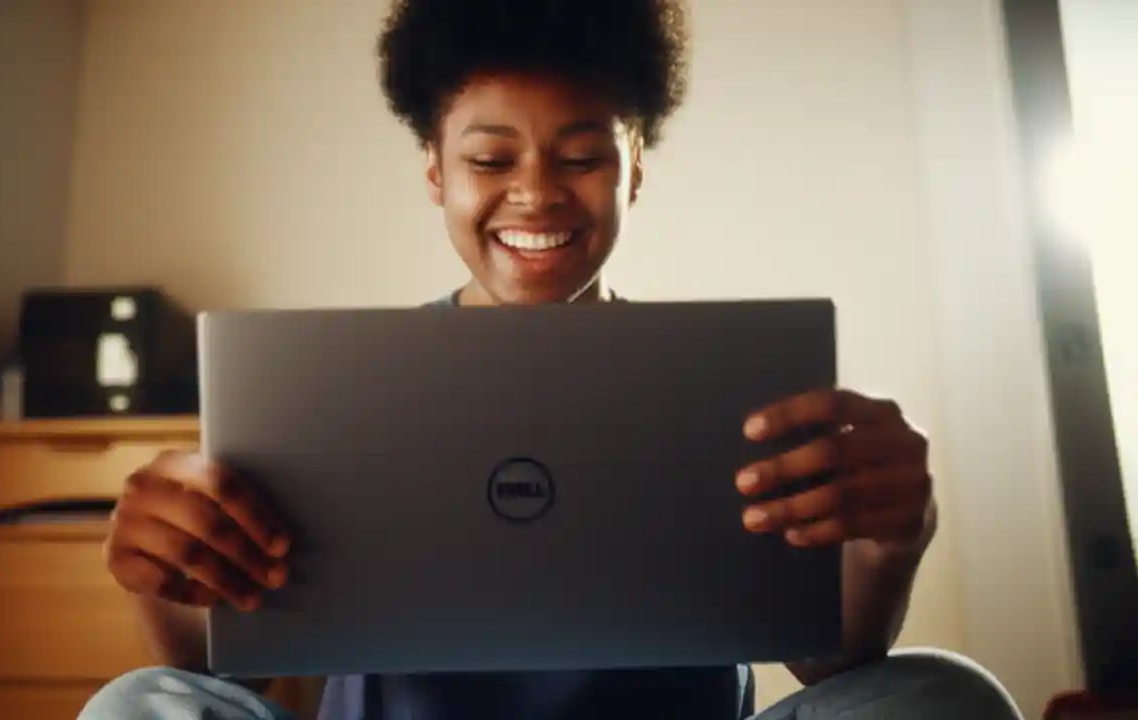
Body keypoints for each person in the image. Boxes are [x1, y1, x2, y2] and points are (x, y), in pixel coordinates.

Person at [81, 1, 1023, 718]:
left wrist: (891, 543)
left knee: (944, 695)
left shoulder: (722, 388)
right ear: (437, 176)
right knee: (135, 706)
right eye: (490, 161)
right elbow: (218, 675)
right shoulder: (339, 394)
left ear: (635, 168)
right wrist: (161, 581)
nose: (535, 194)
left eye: (582, 157)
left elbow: (835, 664)